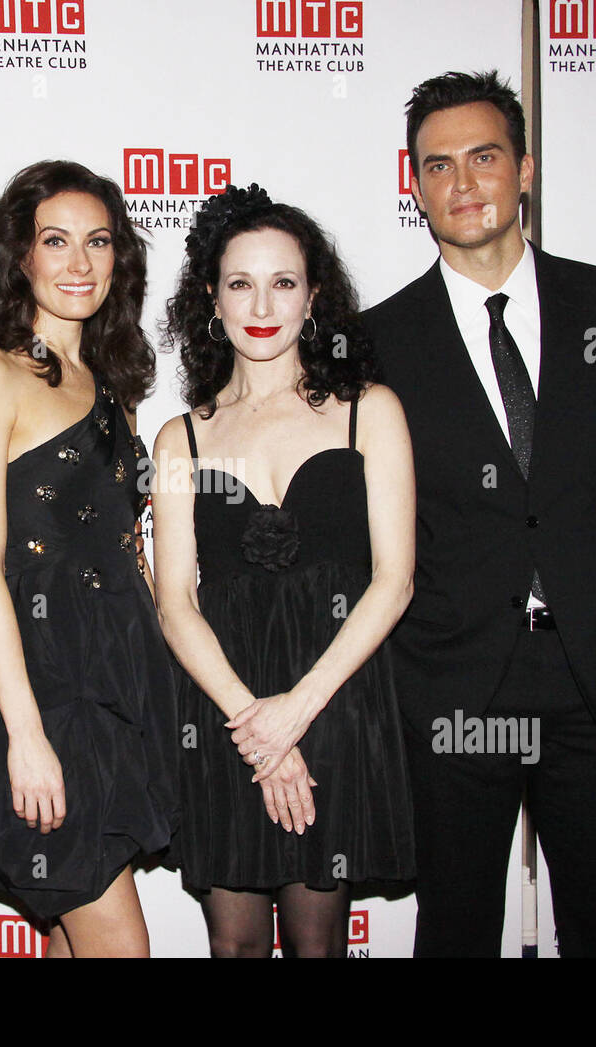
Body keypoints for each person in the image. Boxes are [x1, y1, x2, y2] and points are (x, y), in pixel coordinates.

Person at [363, 70, 596, 957]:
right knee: (455, 935)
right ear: (414, 186)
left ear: (526, 169)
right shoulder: (378, 341)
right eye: (437, 166)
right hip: (452, 693)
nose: (463, 184)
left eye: (484, 158)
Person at [154, 184, 416, 958]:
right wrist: (259, 730)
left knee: (317, 944)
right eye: (240, 282)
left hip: (334, 698)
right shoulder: (180, 441)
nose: (261, 303)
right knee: (233, 947)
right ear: (212, 297)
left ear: (314, 296)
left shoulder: (372, 410)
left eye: (283, 282)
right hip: (226, 713)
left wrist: (297, 712)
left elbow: (395, 578)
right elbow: (174, 603)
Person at [0, 160, 176, 957]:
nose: (80, 263)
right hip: (43, 692)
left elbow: (128, 552)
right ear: (21, 257)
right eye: (56, 241)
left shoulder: (113, 383)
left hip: (118, 684)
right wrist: (25, 732)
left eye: (99, 242)